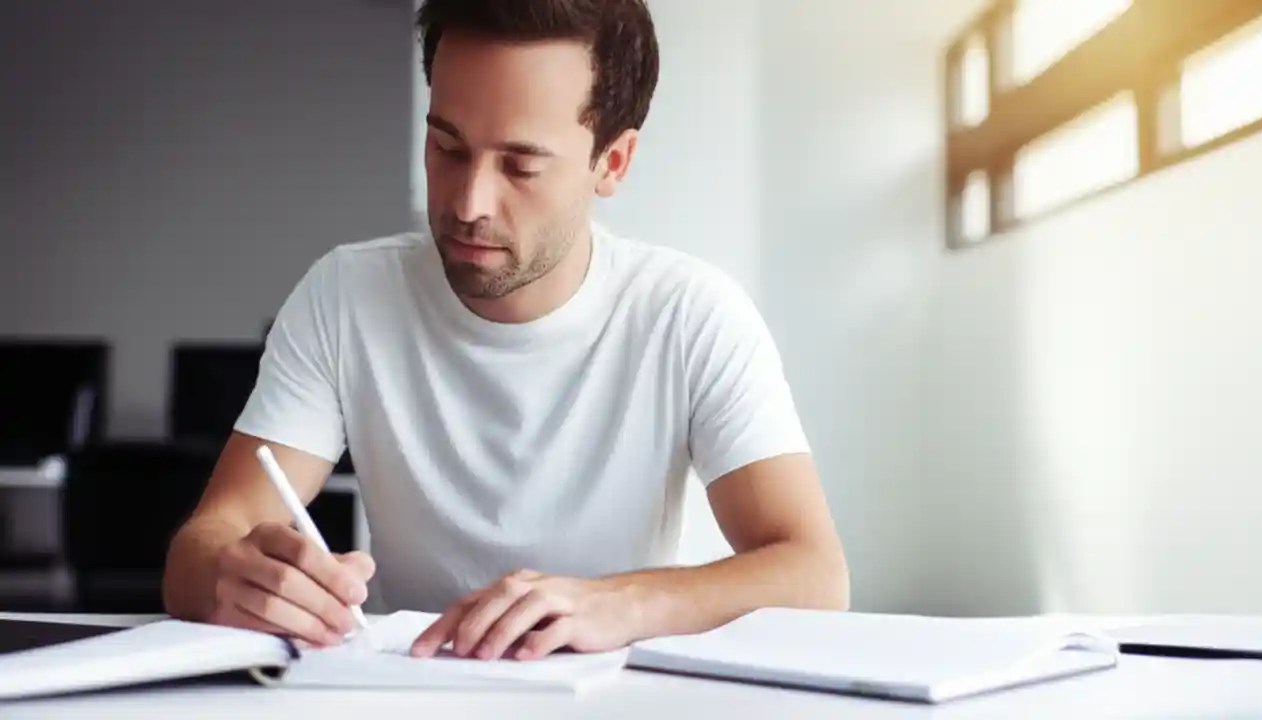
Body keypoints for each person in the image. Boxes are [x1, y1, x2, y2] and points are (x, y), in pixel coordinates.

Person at [163, 0, 848, 662]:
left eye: (520, 165)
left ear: (612, 162)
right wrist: (232, 575)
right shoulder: (346, 296)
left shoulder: (690, 315)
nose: (468, 204)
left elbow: (814, 574)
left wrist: (618, 605)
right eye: (447, 147)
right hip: (412, 694)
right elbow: (206, 539)